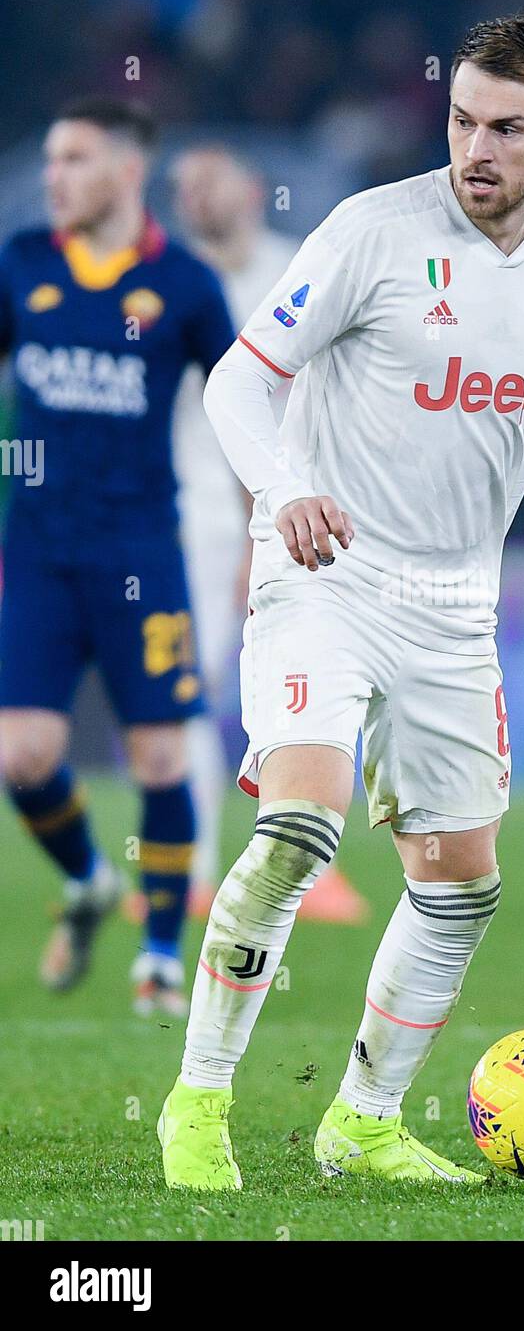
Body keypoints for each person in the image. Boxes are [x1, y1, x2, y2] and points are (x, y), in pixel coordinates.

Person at [158, 12, 524, 1187]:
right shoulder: (371, 231)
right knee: (299, 826)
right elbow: (239, 387)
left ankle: (360, 1119)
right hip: (324, 573)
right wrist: (291, 488)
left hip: (455, 606)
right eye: (461, 119)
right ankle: (197, 1103)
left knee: (459, 880)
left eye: (507, 128)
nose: (477, 148)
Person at [0, 98, 235, 1014]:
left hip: (144, 555)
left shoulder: (183, 285)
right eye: (51, 158)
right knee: (22, 755)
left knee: (163, 760)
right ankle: (91, 880)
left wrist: (268, 524)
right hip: (42, 559)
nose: (52, 175)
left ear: (128, 172)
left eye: (73, 158)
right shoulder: (23, 265)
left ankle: (162, 960)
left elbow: (243, 403)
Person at [169, 146, 370, 926]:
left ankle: (307, 865)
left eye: (207, 179)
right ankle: (192, 869)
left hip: (299, 513)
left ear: (252, 189)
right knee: (185, 689)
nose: (193, 194)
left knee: (309, 685)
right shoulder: (169, 285)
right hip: (192, 520)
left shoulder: (302, 268)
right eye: (182, 184)